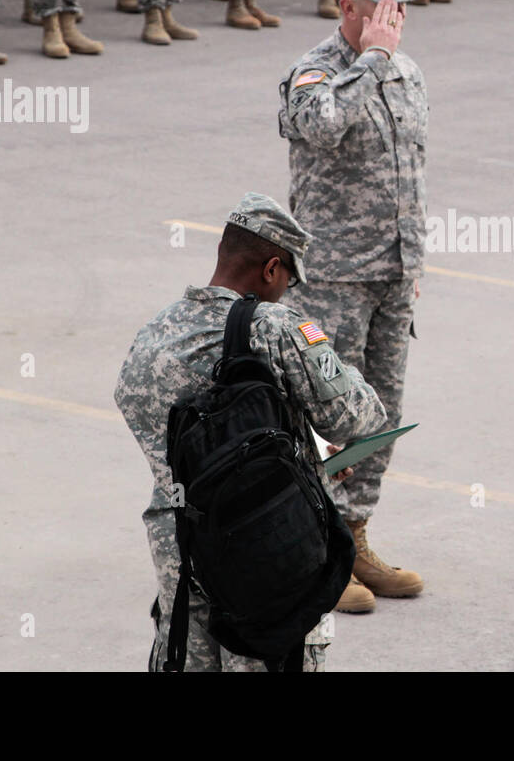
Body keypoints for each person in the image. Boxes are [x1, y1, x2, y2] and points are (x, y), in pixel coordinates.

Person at [115, 192, 386, 671]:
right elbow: (356, 416)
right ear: (271, 269)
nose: (287, 290)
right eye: (288, 278)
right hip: (263, 552)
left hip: (180, 549)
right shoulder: (277, 327)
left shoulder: (155, 331)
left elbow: (156, 425)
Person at [277, 0, 427, 613]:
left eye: (402, 8)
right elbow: (321, 129)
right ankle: (313, 555)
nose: (397, 22)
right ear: (350, 8)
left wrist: (413, 262)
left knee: (377, 415)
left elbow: (410, 174)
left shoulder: (404, 72)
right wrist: (370, 60)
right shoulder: (315, 73)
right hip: (333, 277)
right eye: (386, 10)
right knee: (323, 417)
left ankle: (354, 535)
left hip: (390, 273)